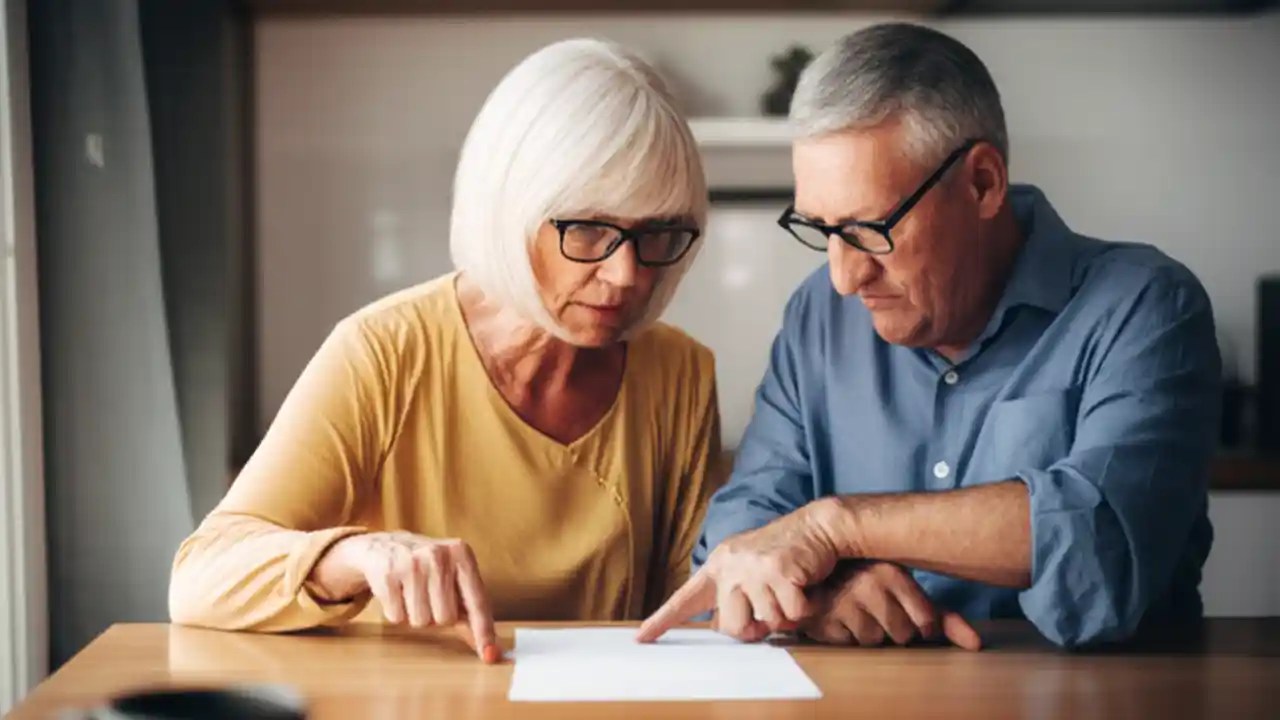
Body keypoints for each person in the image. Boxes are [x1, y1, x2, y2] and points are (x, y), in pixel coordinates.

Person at [638, 23, 1220, 650]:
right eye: (822, 229)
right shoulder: (818, 315)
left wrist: (839, 528)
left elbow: (1102, 555)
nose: (843, 276)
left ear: (982, 183)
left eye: (869, 229)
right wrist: (819, 594)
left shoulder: (1146, 307)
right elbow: (743, 528)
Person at [170, 39, 723, 664]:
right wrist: (354, 555)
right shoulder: (383, 352)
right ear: (512, 210)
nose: (627, 275)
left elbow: (694, 611)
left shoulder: (679, 372)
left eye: (657, 234)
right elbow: (200, 574)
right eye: (590, 227)